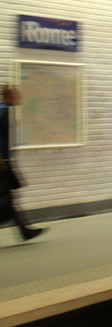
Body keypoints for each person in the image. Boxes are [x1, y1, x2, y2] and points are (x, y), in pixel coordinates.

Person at [0, 85, 45, 241]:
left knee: (8, 197)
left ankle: (24, 230)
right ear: (10, 97)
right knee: (6, 197)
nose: (19, 99)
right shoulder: (3, 111)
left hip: (4, 159)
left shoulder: (5, 110)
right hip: (2, 161)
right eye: (17, 96)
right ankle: (24, 230)